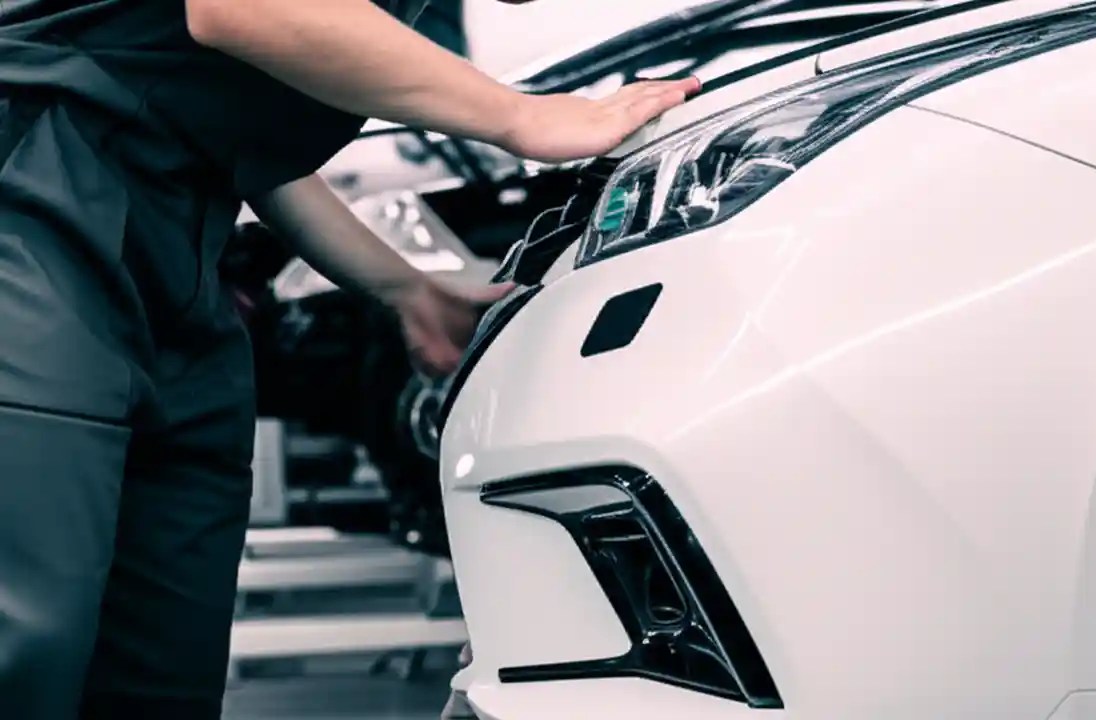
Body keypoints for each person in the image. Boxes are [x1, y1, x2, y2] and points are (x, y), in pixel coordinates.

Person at [0, 1, 699, 717]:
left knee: (163, 661)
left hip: (180, 248)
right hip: (33, 214)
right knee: (24, 644)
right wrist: (522, 116)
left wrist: (403, 288)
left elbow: (239, 144)